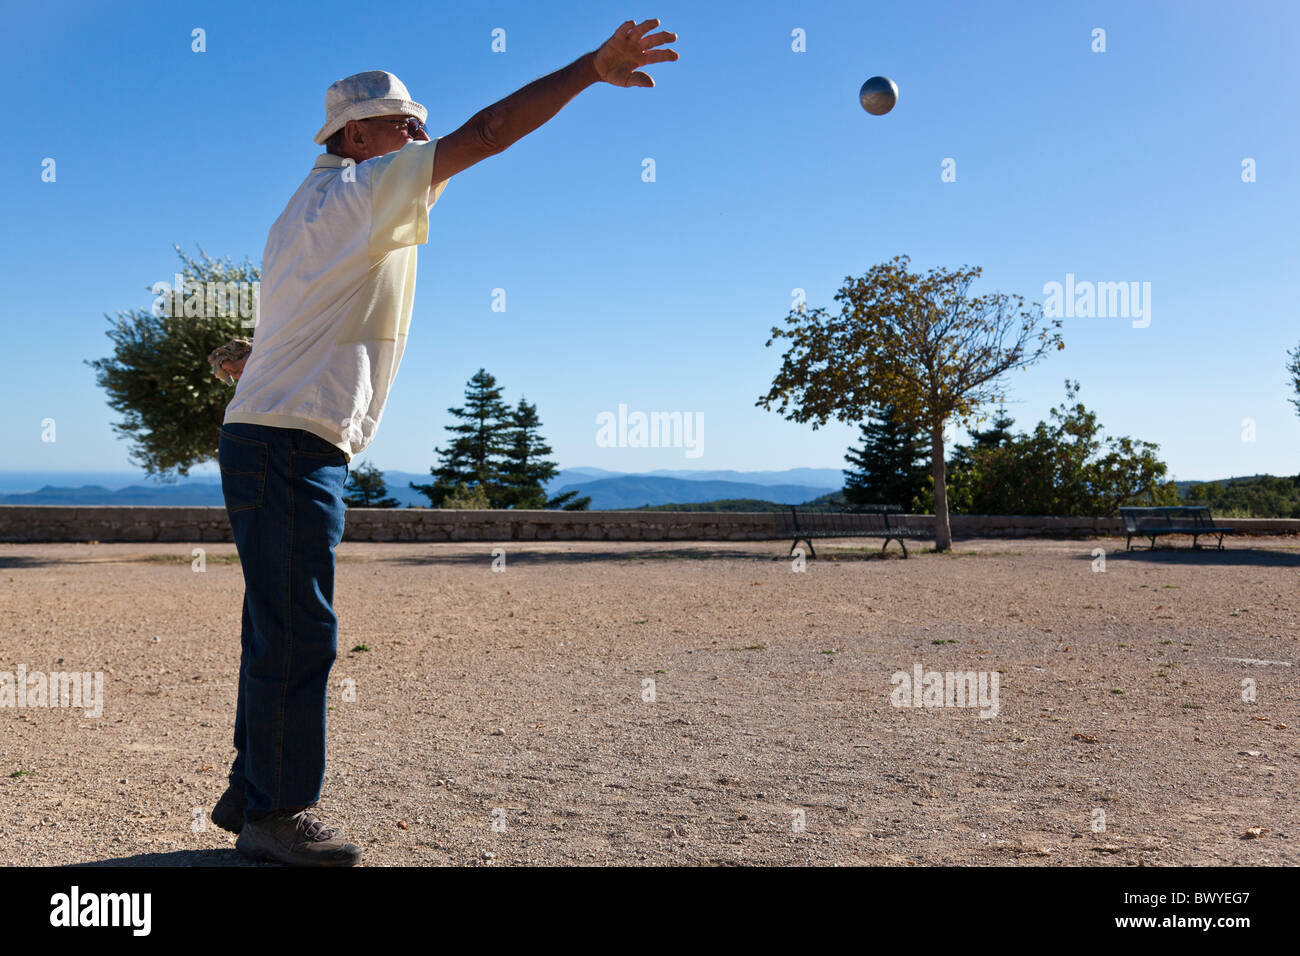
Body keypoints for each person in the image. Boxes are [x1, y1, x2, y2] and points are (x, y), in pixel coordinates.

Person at [209, 19, 678, 866]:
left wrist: (251, 359)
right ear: (357, 137)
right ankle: (275, 813)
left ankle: (252, 793)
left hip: (268, 434)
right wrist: (589, 68)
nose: (421, 132)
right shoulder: (357, 195)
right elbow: (488, 134)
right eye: (403, 122)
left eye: (421, 121)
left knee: (276, 620)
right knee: (299, 629)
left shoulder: (313, 210)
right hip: (286, 445)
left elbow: (297, 314)